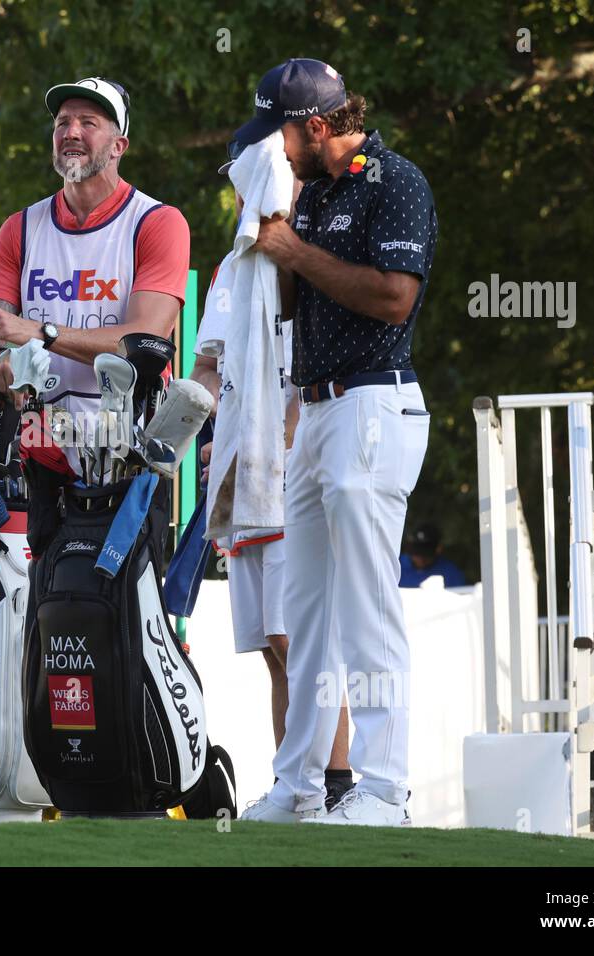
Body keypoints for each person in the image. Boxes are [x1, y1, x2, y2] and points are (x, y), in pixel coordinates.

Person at [234, 58, 438, 826]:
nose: (275, 150)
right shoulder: (308, 191)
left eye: (280, 135)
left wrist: (294, 253)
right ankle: (300, 785)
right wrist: (267, 230)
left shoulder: (397, 182)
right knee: (307, 611)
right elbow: (288, 297)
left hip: (374, 407)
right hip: (315, 414)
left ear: (316, 126)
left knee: (366, 606)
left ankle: (384, 789)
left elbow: (393, 298)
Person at [192, 146, 353, 808]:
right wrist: (194, 418)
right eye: (235, 187)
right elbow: (209, 364)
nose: (240, 198)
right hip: (241, 475)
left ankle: (336, 783)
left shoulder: (302, 259)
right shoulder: (229, 268)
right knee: (271, 649)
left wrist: (287, 425)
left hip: (294, 470)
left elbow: (313, 361)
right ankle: (294, 786)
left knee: (299, 637)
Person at [0, 77, 189, 483]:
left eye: (89, 122)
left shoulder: (158, 222)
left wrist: (38, 332)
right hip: (38, 449)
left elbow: (145, 346)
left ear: (118, 145)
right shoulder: (19, 228)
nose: (70, 132)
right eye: (62, 122)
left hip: (126, 452)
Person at [399, 523, 466, 588]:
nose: (420, 559)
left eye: (425, 554)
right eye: (416, 553)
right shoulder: (398, 565)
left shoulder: (451, 573)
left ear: (438, 549)